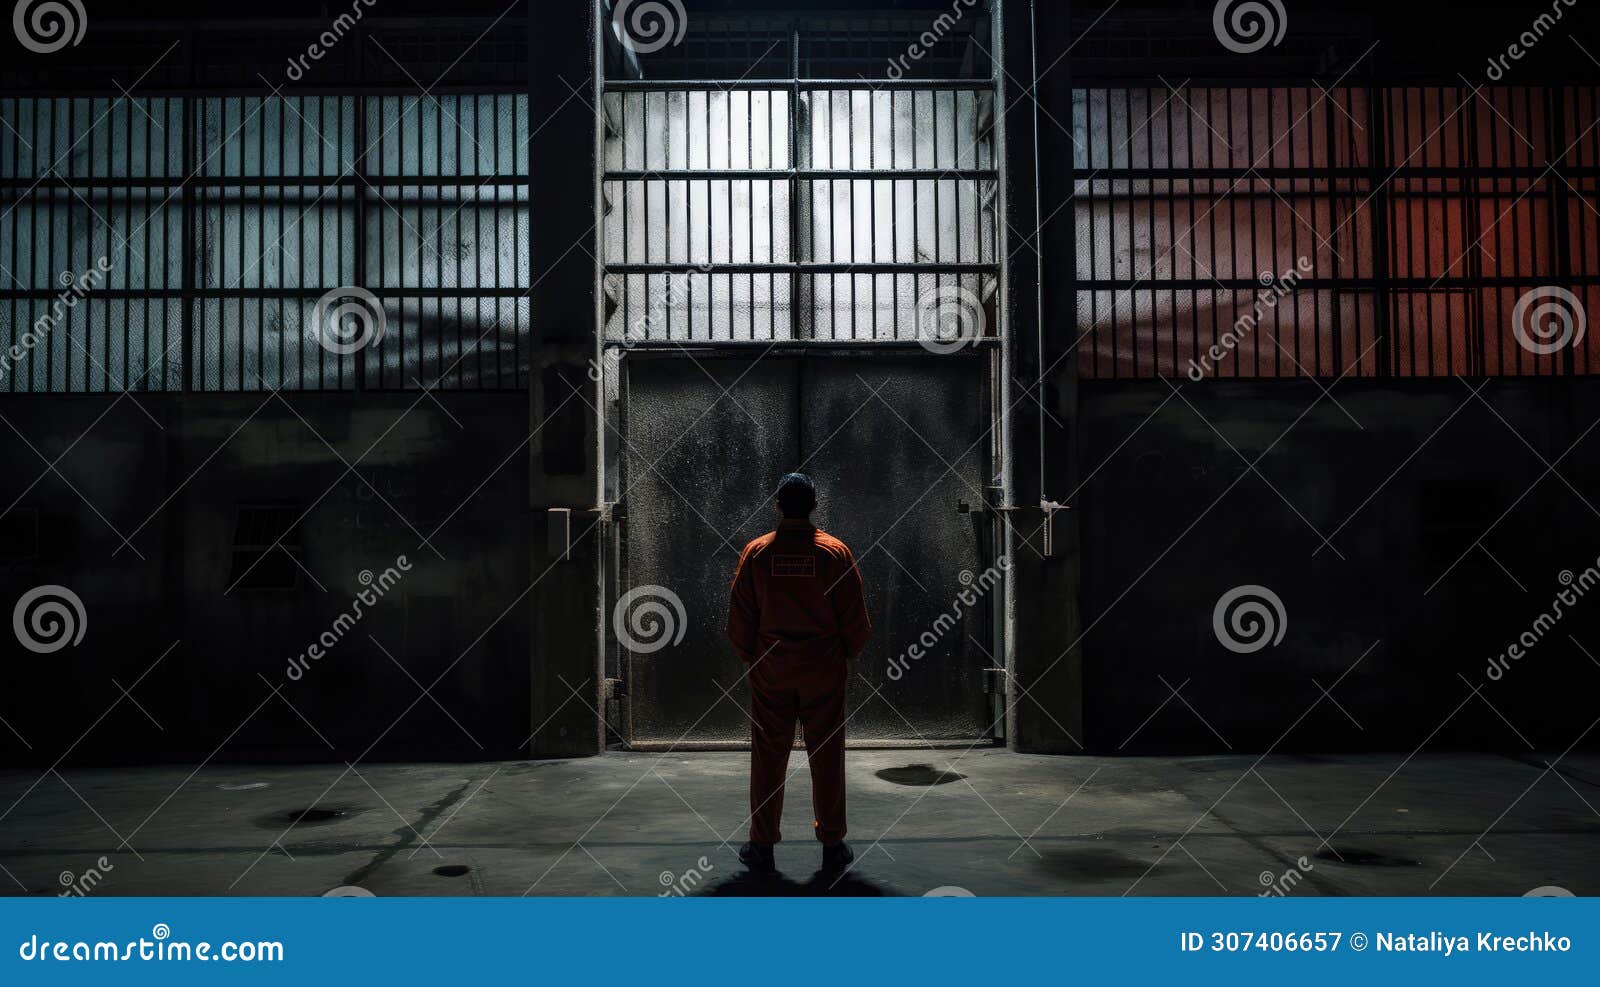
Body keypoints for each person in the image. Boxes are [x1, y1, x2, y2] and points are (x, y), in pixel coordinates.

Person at [725, 472, 872, 875]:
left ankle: (762, 845)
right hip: (822, 671)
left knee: (768, 756)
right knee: (827, 756)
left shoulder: (757, 553)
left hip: (772, 672)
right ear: (813, 506)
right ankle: (832, 844)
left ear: (776, 506)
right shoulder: (835, 554)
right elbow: (855, 621)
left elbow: (740, 620)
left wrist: (753, 659)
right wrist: (843, 658)